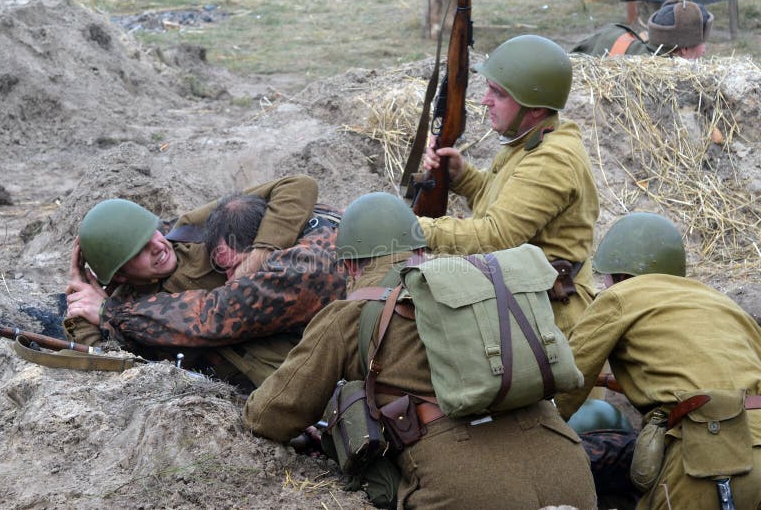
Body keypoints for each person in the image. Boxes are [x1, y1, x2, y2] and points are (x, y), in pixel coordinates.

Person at [243, 192, 597, 509]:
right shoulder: (478, 286)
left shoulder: (349, 314)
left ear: (350, 265)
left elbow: (272, 414)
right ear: (420, 250)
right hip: (571, 474)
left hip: (464, 490)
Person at [554, 212, 761, 509]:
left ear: (619, 276)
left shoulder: (619, 297)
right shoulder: (725, 305)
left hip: (709, 458)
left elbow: (567, 381)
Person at [64, 175, 347, 390]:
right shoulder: (128, 307)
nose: (158, 245)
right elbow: (104, 363)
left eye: (153, 232)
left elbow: (297, 186)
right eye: (139, 249)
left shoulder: (190, 229)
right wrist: (80, 303)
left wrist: (258, 257)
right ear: (120, 276)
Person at [419, 34, 599, 335]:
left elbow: (497, 236)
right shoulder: (530, 140)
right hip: (524, 307)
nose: (485, 100)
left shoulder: (551, 160)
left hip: (549, 325)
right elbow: (506, 202)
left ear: (535, 108)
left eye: (498, 93)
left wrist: (414, 229)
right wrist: (462, 177)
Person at [571, 0, 714, 59]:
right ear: (684, 49)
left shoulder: (616, 33)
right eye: (702, 42)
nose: (704, 50)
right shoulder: (659, 78)